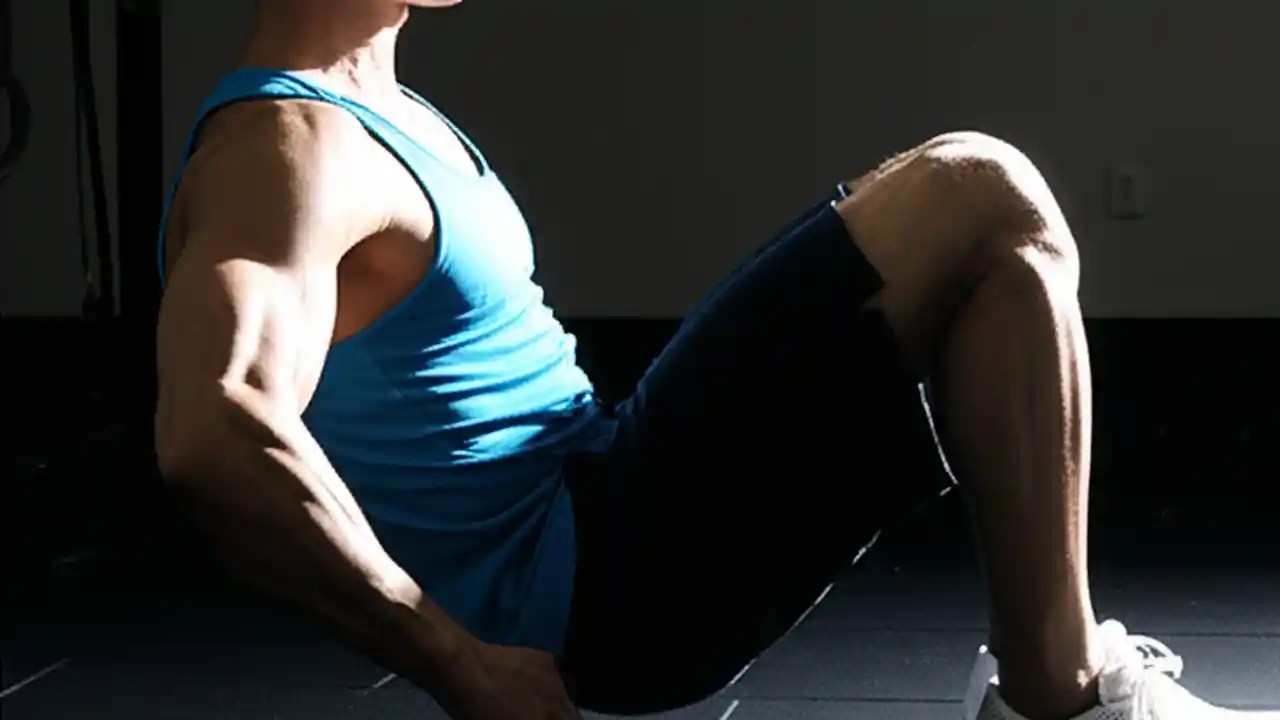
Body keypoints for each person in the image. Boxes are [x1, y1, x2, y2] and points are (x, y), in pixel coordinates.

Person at [152, 2, 1274, 719]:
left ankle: (1052, 685)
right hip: (599, 587)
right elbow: (213, 426)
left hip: (606, 494)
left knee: (1005, 263)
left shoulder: (383, 112)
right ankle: (1063, 696)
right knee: (980, 188)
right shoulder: (285, 149)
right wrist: (457, 662)